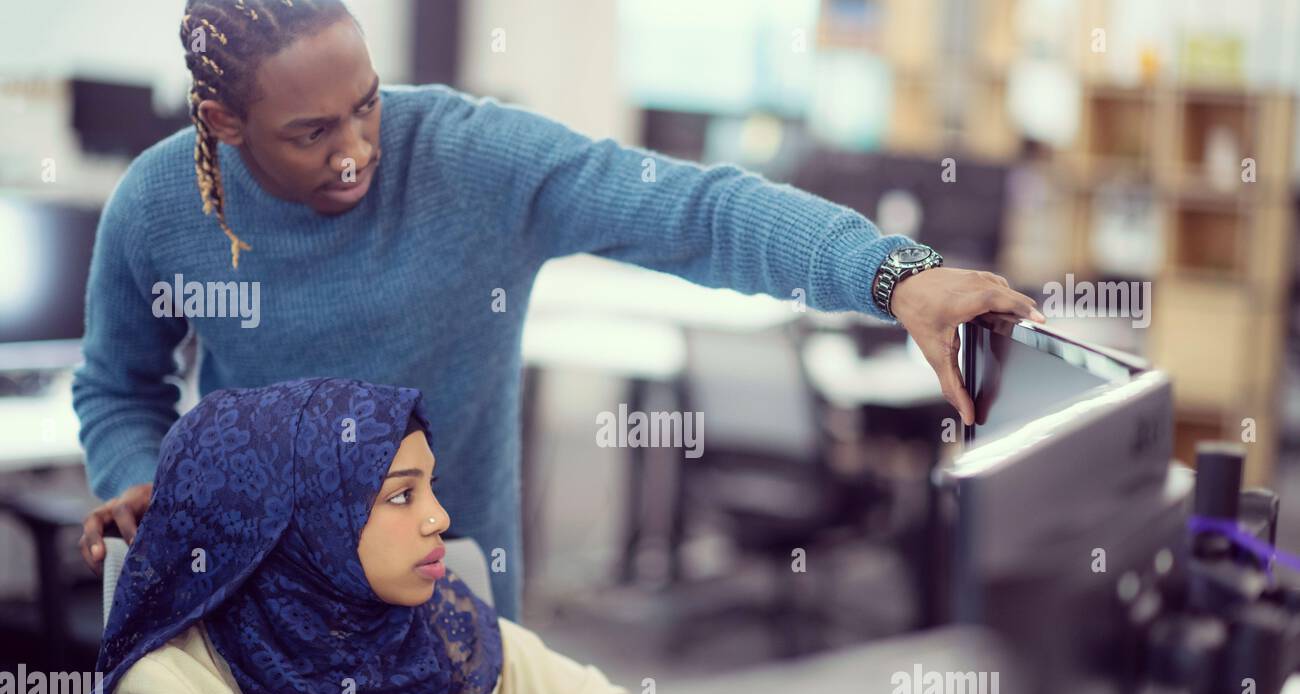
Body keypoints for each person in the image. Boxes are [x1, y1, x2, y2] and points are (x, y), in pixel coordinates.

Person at [74, 0, 1044, 622]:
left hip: (449, 605)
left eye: (366, 106)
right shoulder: (159, 206)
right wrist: (133, 475)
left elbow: (691, 209)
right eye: (311, 132)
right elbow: (120, 381)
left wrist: (893, 273)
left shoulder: (469, 157)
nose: (356, 150)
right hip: (254, 602)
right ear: (223, 124)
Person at [97, 377, 644, 694]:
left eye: (430, 486)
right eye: (402, 495)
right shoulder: (173, 683)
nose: (439, 517)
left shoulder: (447, 625)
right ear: (300, 525)